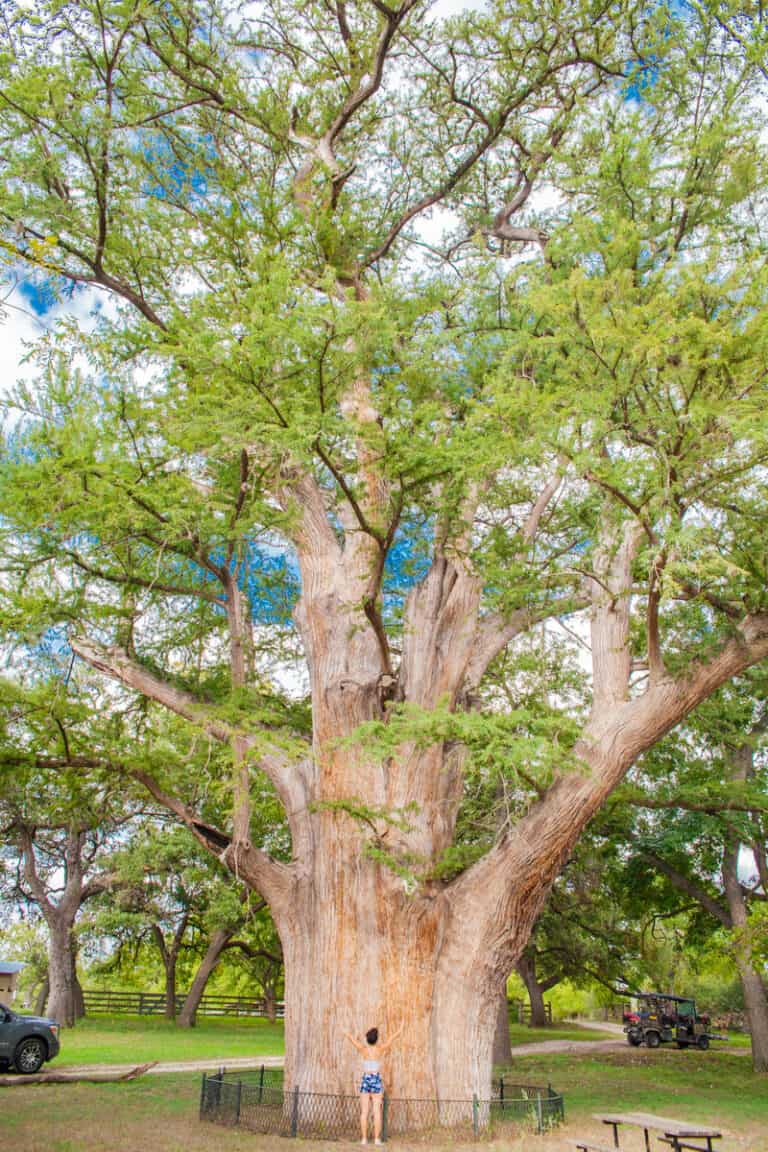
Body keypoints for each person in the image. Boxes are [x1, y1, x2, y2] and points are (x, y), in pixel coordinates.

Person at [343, 1022, 403, 1145]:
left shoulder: (363, 1050)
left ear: (367, 1039)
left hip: (366, 1079)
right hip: (376, 1079)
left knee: (364, 1112)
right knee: (377, 1111)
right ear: (377, 1039)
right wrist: (400, 1029)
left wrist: (346, 1033)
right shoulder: (380, 1050)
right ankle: (376, 1139)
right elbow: (391, 1039)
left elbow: (352, 1040)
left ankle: (364, 1139)